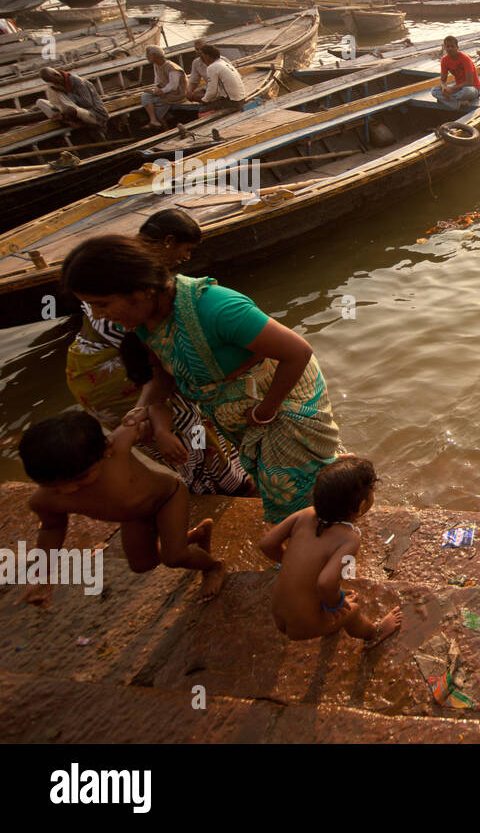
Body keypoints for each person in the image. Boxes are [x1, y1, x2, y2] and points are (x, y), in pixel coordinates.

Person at [61, 236, 344, 523]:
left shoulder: (216, 308)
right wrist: (138, 412)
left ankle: (320, 540)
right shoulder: (146, 323)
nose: (99, 316)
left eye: (103, 304)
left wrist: (265, 411)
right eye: (91, 307)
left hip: (280, 404)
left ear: (142, 289)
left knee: (291, 492)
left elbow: (298, 352)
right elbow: (160, 375)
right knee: (281, 478)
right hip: (239, 414)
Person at [66, 210, 251, 498]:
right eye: (186, 250)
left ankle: (218, 484)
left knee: (182, 434)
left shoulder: (115, 266)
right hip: (118, 375)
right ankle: (229, 489)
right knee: (188, 434)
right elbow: (156, 372)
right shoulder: (136, 299)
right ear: (168, 241)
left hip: (89, 372)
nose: (186, 258)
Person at [19, 410, 225, 605]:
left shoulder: (117, 445)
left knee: (175, 557)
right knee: (142, 565)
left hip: (166, 498)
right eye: (52, 485)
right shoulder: (44, 501)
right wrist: (43, 574)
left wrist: (160, 431)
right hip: (132, 515)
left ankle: (213, 567)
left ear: (106, 450)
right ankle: (198, 534)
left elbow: (155, 407)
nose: (68, 490)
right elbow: (51, 528)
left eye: (81, 479)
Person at [258, 455, 402, 645]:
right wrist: (337, 604)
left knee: (332, 593)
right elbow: (325, 583)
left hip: (278, 614)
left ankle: (328, 609)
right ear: (360, 507)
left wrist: (292, 564)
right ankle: (374, 634)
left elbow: (266, 544)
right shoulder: (349, 539)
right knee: (353, 612)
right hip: (305, 626)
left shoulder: (305, 514)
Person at [32, 67, 108, 130]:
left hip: (94, 114)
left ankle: (65, 119)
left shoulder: (77, 82)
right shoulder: (53, 85)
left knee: (70, 109)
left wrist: (66, 93)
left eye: (54, 81)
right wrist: (56, 107)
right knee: (40, 102)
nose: (54, 84)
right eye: (50, 82)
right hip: (68, 111)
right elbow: (56, 102)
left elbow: (87, 103)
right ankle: (65, 118)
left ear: (57, 75)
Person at [140, 45, 188, 129]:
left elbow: (173, 86)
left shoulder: (172, 67)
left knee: (158, 103)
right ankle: (153, 120)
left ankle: (165, 128)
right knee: (145, 96)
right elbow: (157, 79)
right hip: (166, 91)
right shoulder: (156, 65)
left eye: (149, 55)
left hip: (177, 94)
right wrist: (157, 89)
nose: (147, 57)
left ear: (155, 55)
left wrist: (159, 92)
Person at [432, 35, 480, 110]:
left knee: (466, 91)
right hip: (458, 89)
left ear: (457, 47)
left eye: (452, 46)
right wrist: (444, 88)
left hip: (472, 88)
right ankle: (459, 103)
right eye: (447, 46)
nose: (450, 49)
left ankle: (447, 101)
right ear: (444, 47)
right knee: (434, 91)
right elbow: (442, 81)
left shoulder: (465, 59)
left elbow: (469, 82)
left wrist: (451, 89)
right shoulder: (444, 60)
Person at [193, 45, 245, 112]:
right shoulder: (223, 62)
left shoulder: (212, 67)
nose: (202, 59)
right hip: (241, 98)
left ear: (207, 56)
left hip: (233, 102)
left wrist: (203, 101)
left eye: (203, 56)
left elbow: (212, 92)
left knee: (201, 110)